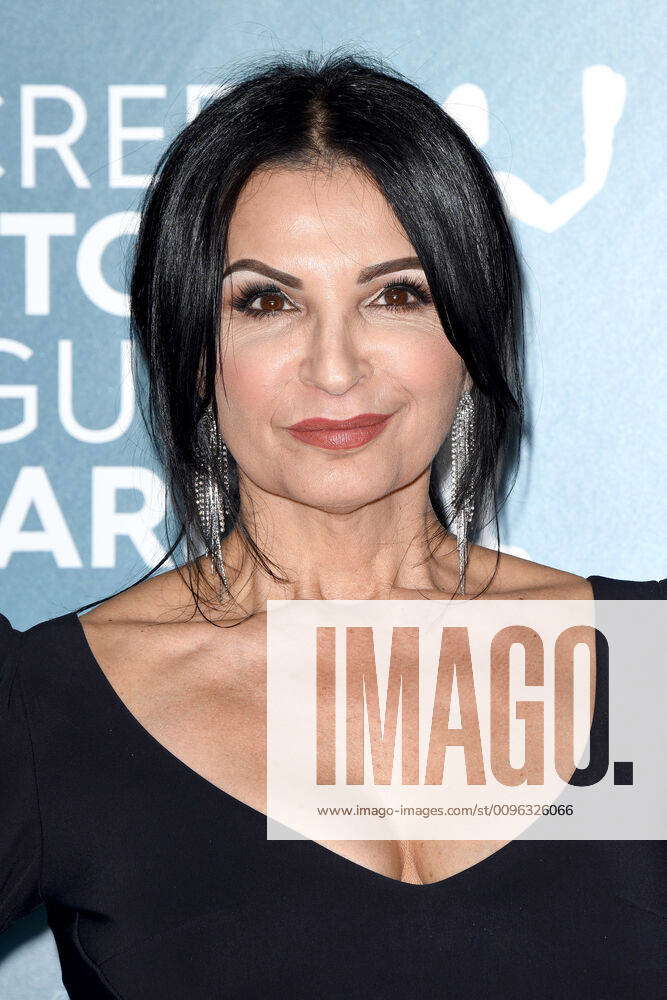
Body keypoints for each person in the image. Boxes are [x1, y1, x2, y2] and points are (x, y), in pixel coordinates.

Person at [1, 51, 664, 999]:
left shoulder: (644, 665)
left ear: (468, 333)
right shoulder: (50, 707)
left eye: (395, 295)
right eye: (266, 301)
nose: (336, 368)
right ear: (194, 350)